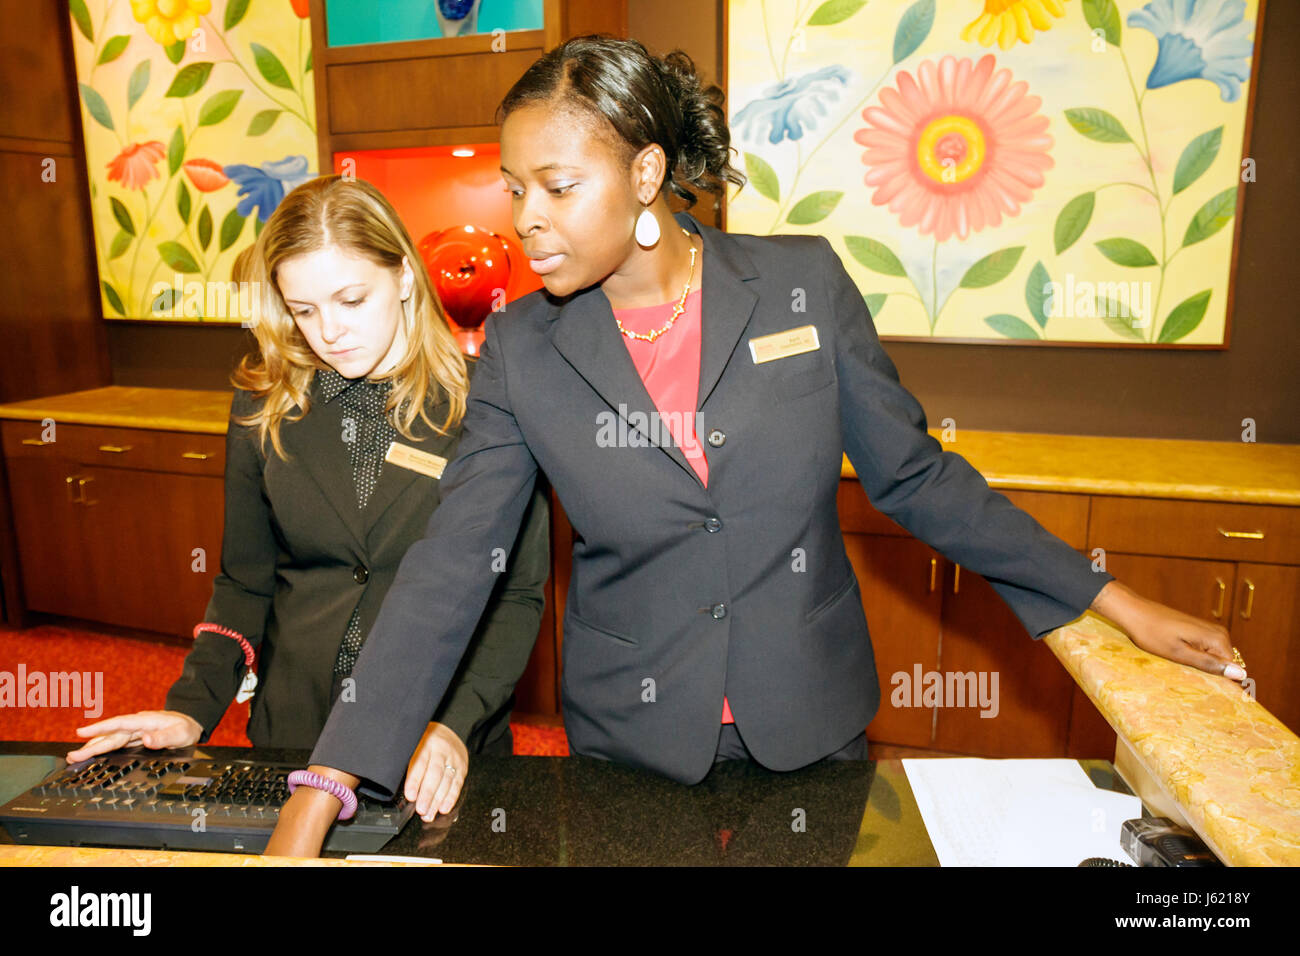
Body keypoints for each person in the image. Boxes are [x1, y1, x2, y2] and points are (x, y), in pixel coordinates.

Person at [265, 36, 1244, 857]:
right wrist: (332, 772)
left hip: (810, 726)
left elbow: (915, 475)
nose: (526, 220)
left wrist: (1107, 597)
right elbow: (451, 562)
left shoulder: (801, 287)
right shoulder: (525, 346)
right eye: (516, 188)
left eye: (558, 188)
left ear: (644, 172)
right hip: (629, 742)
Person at [68, 175, 550, 823]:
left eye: (352, 299)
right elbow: (244, 582)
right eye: (303, 309)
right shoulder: (265, 405)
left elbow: (514, 595)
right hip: (296, 731)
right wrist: (190, 707)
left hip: (436, 733)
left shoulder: (488, 403)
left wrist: (456, 723)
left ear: (405, 276)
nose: (329, 332)